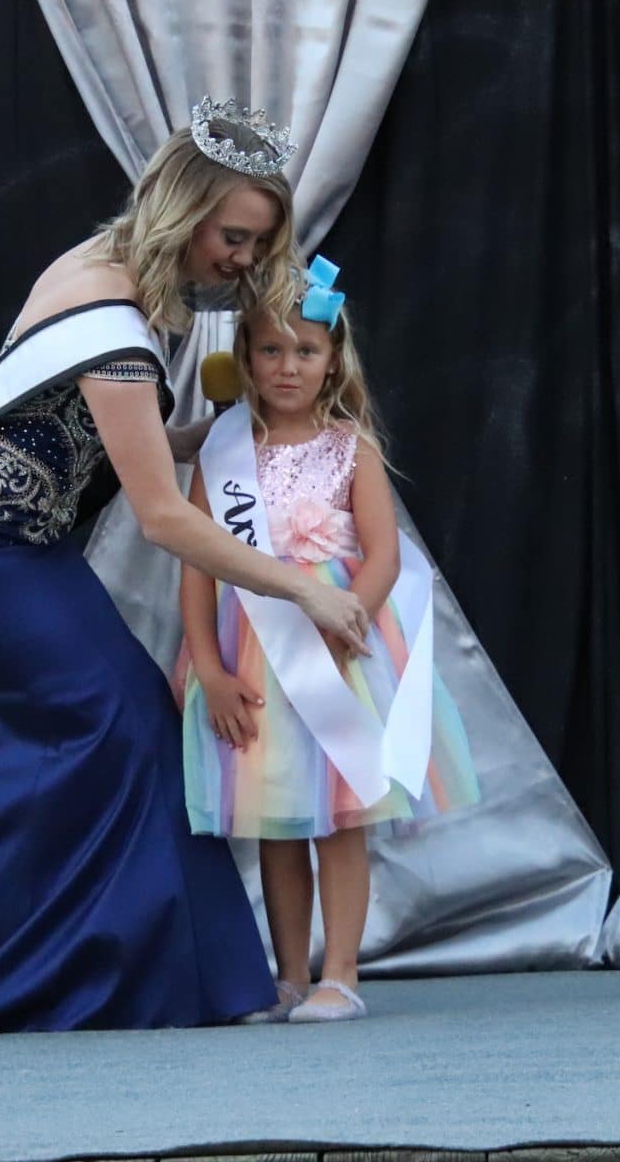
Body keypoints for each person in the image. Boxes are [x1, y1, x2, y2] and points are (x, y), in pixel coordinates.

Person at [0, 99, 373, 1038]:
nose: (243, 261)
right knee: (122, 722)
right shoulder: (116, 330)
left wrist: (207, 438)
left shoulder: (99, 265)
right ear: (183, 211)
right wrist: (301, 586)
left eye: (257, 243)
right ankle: (79, 974)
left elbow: (96, 436)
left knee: (21, 743)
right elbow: (161, 516)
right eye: (233, 237)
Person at [177, 260, 482, 1023]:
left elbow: (383, 556)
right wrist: (208, 667)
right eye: (271, 351)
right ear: (245, 360)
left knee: (341, 817)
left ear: (333, 360)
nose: (288, 367)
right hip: (254, 656)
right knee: (278, 821)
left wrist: (349, 622)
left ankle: (340, 975)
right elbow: (196, 572)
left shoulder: (352, 447)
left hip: (340, 653)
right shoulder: (222, 457)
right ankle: (289, 976)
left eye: (305, 352)